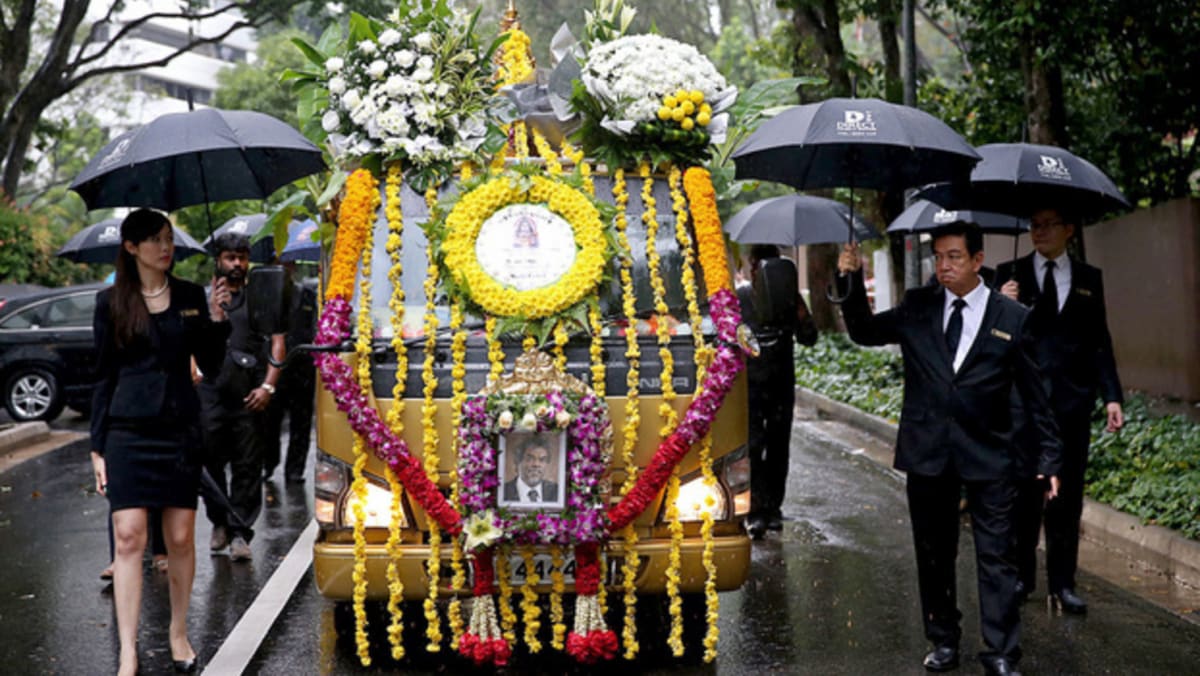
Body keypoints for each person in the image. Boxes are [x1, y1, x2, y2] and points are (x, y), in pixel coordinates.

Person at [836, 222, 1062, 676]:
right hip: (929, 452)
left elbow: (1037, 396)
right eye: (938, 256)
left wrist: (1049, 459)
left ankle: (1000, 651)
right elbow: (862, 330)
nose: (944, 266)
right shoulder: (918, 306)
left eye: (954, 256)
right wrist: (849, 278)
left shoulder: (1010, 316)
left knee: (997, 555)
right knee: (934, 552)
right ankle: (942, 640)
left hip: (992, 453)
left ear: (978, 260)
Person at [89, 209, 231, 676]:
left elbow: (210, 364)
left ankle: (177, 632)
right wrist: (97, 445)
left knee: (181, 538)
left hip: (178, 431)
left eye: (168, 238)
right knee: (129, 537)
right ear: (131, 247)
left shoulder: (191, 296)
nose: (164, 247)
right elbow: (103, 376)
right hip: (127, 433)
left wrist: (216, 320)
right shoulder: (110, 302)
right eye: (153, 240)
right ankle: (128, 650)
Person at [994, 206, 1124, 614]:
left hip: (1071, 404)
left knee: (1066, 497)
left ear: (1069, 229)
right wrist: (1001, 304)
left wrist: (1111, 395)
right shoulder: (1009, 273)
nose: (1039, 232)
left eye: (1049, 225)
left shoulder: (1089, 279)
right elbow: (991, 337)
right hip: (1024, 405)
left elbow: (1098, 340)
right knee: (1025, 496)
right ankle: (1021, 578)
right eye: (1034, 225)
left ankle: (1063, 583)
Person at [198, 233, 285, 562]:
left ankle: (239, 532)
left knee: (248, 465)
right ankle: (219, 520)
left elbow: (278, 343)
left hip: (249, 393)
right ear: (218, 260)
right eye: (230, 258)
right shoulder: (204, 300)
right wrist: (213, 314)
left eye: (242, 258)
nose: (237, 264)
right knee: (209, 460)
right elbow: (191, 345)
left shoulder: (262, 298)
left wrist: (269, 386)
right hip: (211, 394)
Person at [736, 244, 818, 539]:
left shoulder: (788, 299)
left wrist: (798, 310)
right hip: (751, 385)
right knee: (754, 447)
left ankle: (774, 509)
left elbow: (809, 337)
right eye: (756, 266)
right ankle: (755, 510)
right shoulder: (741, 298)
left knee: (779, 445)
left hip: (781, 383)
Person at [262, 269, 317, 483]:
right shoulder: (266, 293)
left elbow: (313, 324)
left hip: (302, 366)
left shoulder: (306, 294)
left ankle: (295, 469)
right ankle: (268, 463)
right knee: (270, 421)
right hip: (275, 366)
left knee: (301, 421)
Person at [502, 438, 559, 503]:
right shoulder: (503, 492)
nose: (536, 464)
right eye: (530, 459)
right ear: (518, 462)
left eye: (542, 460)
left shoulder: (557, 491)